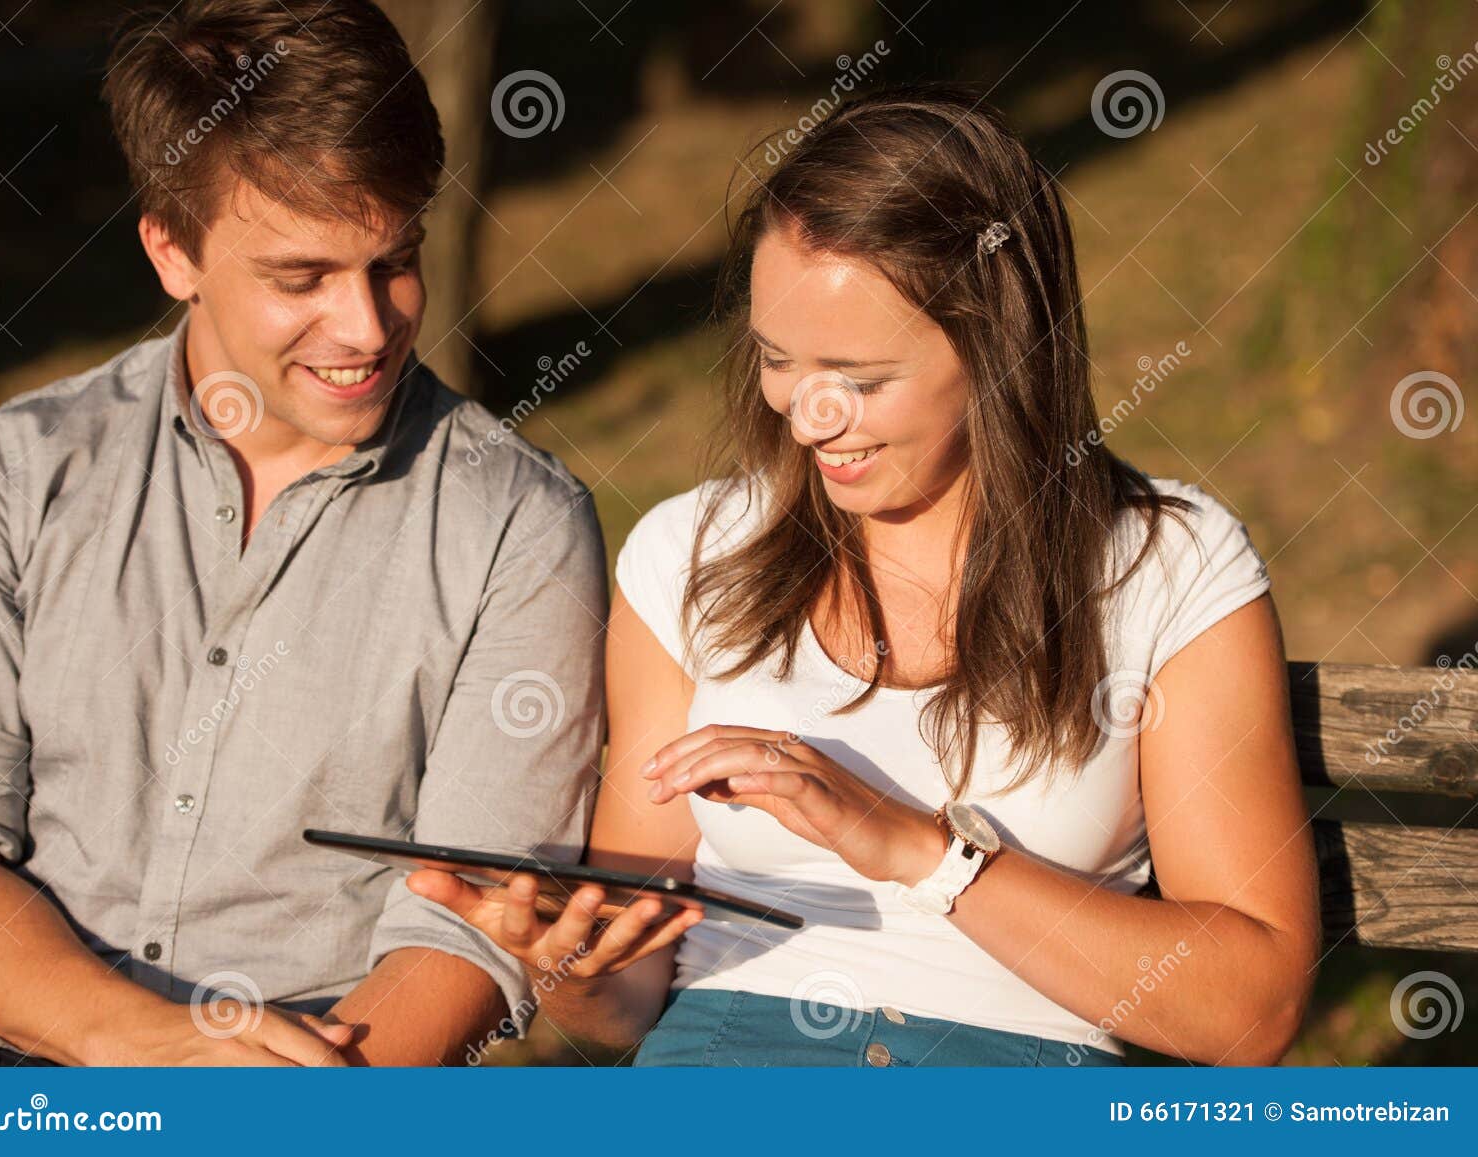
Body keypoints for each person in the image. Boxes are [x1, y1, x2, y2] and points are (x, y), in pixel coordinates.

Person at [408, 83, 1321, 1067]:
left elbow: (1248, 1011)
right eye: (776, 360)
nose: (806, 418)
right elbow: (627, 1001)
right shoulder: (689, 555)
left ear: (998, 346)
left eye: (860, 378)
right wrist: (578, 967)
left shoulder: (1164, 565)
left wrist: (919, 850)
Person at [0, 0, 606, 1067]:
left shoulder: (517, 526)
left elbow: (467, 931)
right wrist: (144, 1047)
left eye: (393, 261)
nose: (366, 327)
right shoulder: (23, 466)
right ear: (172, 251)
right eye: (300, 278)